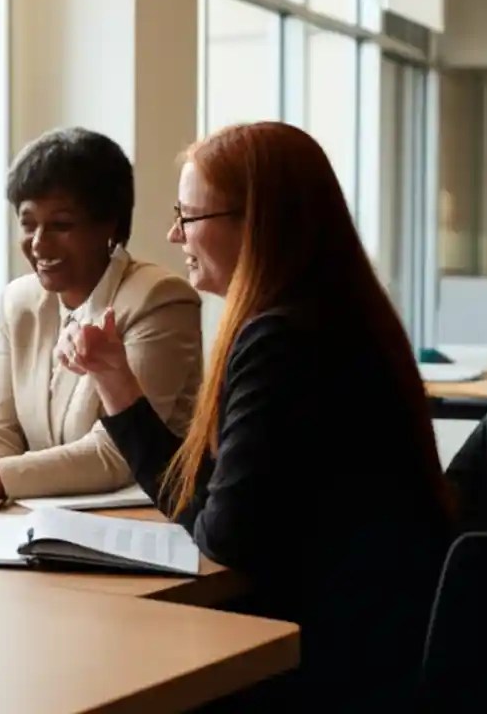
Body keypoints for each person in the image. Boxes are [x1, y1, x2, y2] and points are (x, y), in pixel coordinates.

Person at [62, 122, 454, 709]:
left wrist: (117, 387)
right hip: (378, 641)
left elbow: (226, 535)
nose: (174, 234)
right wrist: (115, 379)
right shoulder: (336, 316)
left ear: (257, 223)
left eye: (188, 216)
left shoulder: (281, 341)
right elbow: (226, 508)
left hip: (323, 665)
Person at [0, 127, 202, 501]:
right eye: (28, 223)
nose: (39, 243)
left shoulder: (159, 298)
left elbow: (113, 455)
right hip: (49, 520)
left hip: (143, 525)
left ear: (108, 225)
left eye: (61, 225)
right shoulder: (20, 301)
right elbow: (1, 432)